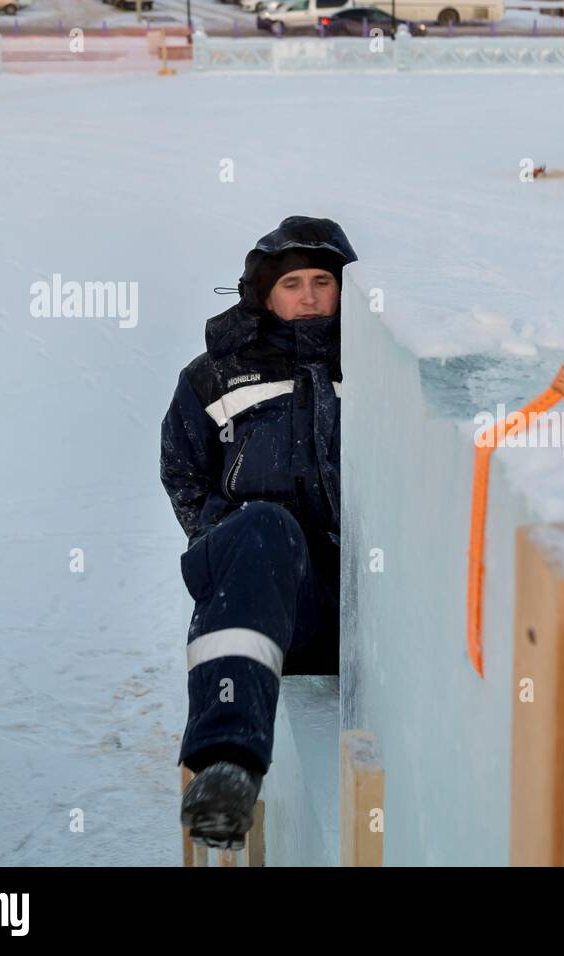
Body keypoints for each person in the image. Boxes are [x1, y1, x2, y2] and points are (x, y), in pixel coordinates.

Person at [160, 215, 357, 849]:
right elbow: (183, 469)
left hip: (360, 600)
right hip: (271, 589)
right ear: (264, 294)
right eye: (292, 283)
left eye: (321, 281)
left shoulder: (371, 368)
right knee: (264, 527)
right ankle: (226, 766)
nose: (307, 297)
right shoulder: (217, 375)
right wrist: (230, 547)